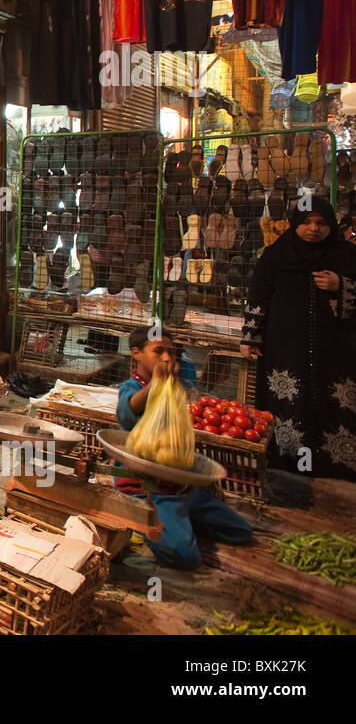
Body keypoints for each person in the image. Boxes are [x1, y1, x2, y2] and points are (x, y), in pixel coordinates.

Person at [117, 327, 254, 569]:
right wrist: (155, 384)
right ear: (136, 353)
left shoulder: (174, 388)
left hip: (183, 484)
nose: (167, 358)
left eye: (170, 352)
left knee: (241, 532)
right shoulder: (133, 386)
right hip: (151, 487)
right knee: (184, 557)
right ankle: (156, 519)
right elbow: (127, 414)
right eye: (158, 351)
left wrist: (206, 481)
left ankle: (181, 519)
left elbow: (180, 437)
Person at [241, 197, 356, 480]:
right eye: (306, 222)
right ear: (295, 224)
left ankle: (336, 470)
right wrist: (250, 337)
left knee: (335, 405)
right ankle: (289, 466)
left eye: (320, 223)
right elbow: (259, 296)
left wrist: (342, 285)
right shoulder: (276, 255)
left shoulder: (348, 255)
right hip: (285, 347)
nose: (313, 229)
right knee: (290, 404)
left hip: (336, 350)